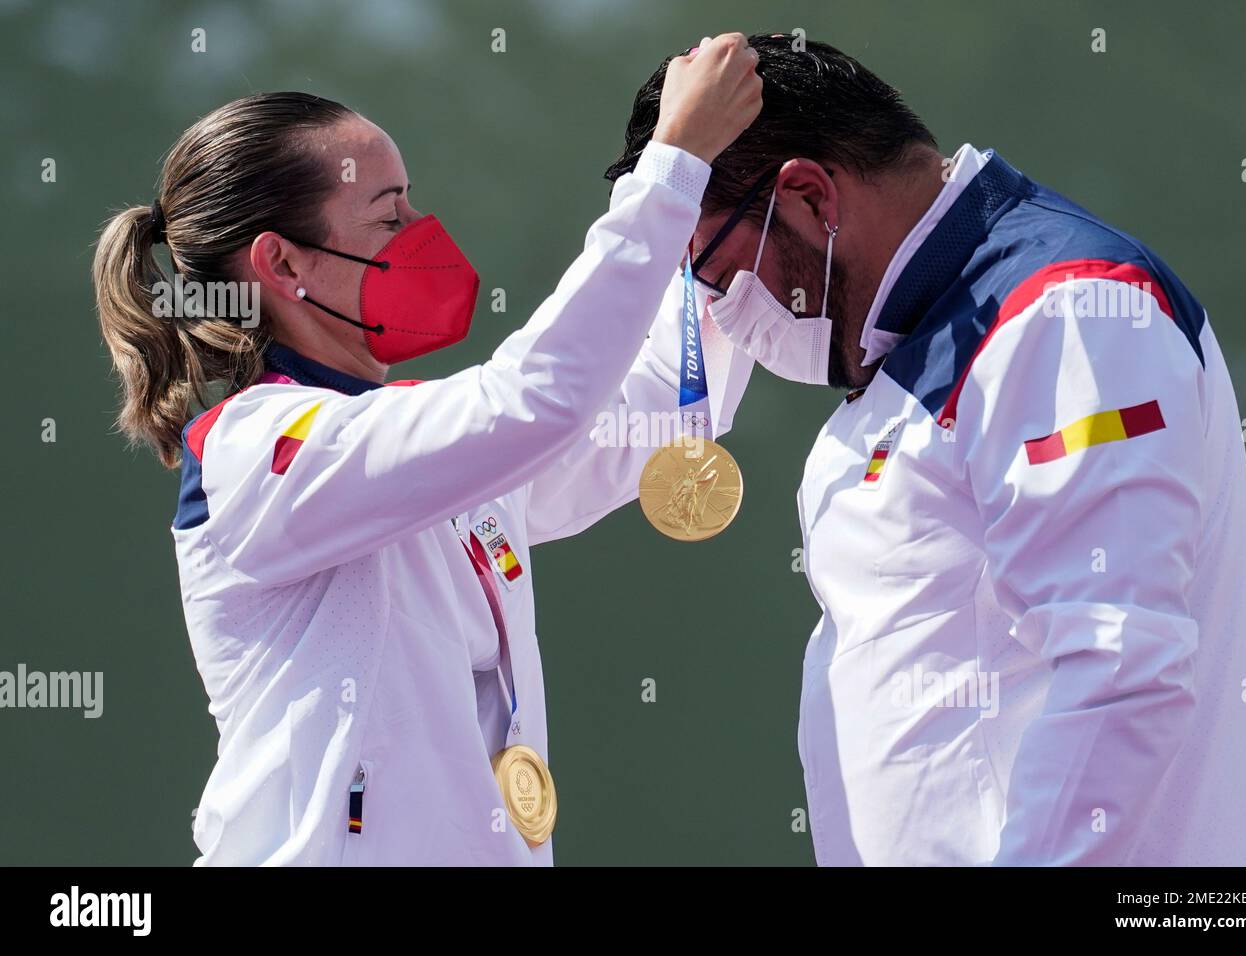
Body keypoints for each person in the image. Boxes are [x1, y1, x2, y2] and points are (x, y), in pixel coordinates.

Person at [92, 34, 762, 865]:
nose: (420, 231)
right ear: (282, 264)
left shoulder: (421, 440)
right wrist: (668, 169)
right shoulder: (259, 448)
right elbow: (537, 400)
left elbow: (661, 412)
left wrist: (719, 231)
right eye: (388, 213)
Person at [608, 35, 1246, 865]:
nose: (711, 306)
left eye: (707, 267)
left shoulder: (1068, 312)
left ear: (812, 199)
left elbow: (1120, 675)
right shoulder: (916, 341)